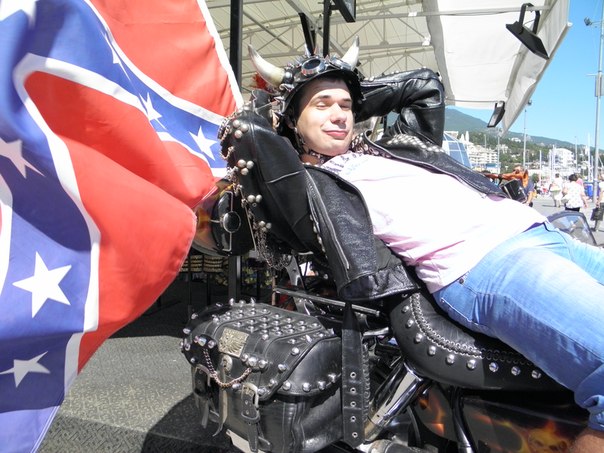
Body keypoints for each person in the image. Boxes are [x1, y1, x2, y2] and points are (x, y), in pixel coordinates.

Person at [214, 41, 604, 451]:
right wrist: (289, 97)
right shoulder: (309, 183)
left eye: (345, 106)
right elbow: (250, 131)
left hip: (543, 234)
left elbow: (425, 86)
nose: (339, 115)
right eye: (322, 105)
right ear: (293, 119)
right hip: (486, 265)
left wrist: (347, 92)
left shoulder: (394, 147)